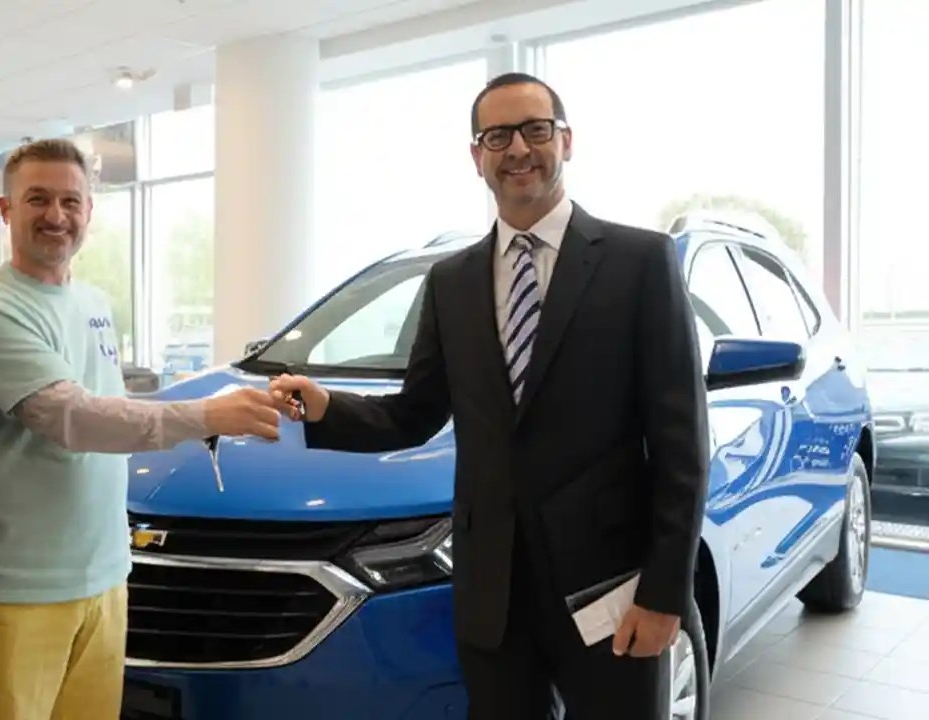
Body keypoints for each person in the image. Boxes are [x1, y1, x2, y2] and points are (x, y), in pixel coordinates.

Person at [270, 72, 708, 719]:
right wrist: (324, 406)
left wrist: (666, 593)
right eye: (496, 136)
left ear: (566, 140)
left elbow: (682, 446)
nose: (517, 150)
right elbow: (413, 413)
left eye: (534, 130)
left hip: (609, 588)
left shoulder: (639, 261)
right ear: (477, 156)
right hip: (491, 597)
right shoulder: (452, 281)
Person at [0, 138, 282, 720]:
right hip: (22, 589)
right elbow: (70, 417)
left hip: (107, 576)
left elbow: (113, 407)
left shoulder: (95, 301)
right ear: (6, 211)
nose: (56, 216)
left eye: (70, 201)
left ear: (89, 210)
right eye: (37, 199)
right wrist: (206, 414)